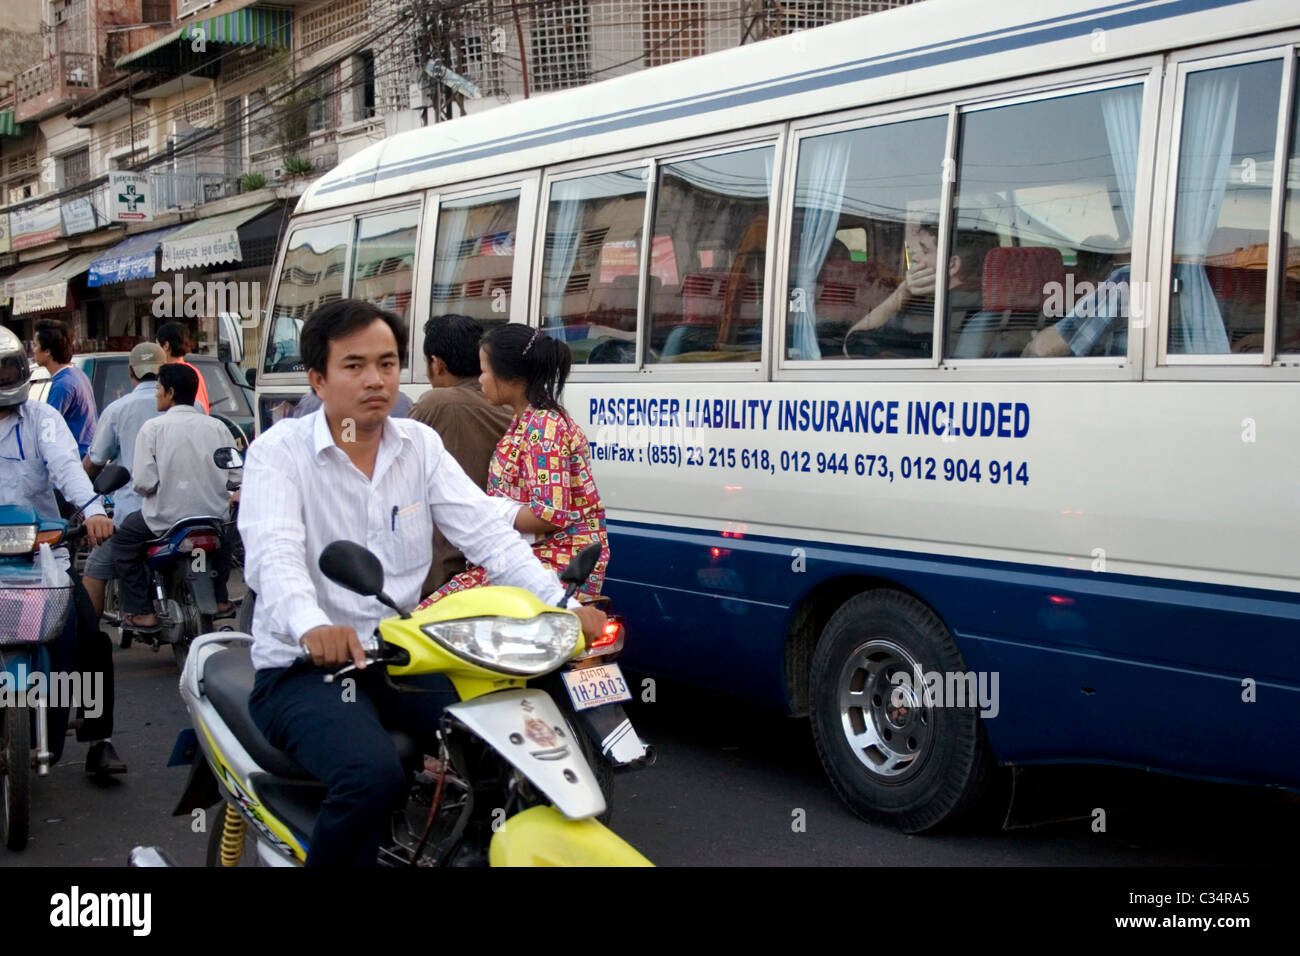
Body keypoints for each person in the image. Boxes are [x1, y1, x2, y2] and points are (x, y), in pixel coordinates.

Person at [238, 299, 606, 868]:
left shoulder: (419, 445)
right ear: (318, 379)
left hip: (401, 656)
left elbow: (492, 536)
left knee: (507, 746)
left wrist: (562, 602)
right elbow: (275, 555)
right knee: (370, 776)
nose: (375, 380)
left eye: (387, 364)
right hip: (303, 669)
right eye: (355, 365)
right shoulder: (278, 453)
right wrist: (313, 625)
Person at [0, 327, 124, 774]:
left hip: (41, 557)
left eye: (5, 369)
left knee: (89, 636)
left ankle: (99, 741)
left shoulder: (42, 420)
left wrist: (93, 509)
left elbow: (68, 469)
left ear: (20, 370)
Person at [421, 322, 610, 608]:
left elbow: (551, 514)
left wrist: (489, 510)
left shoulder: (544, 426)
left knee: (432, 615)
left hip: (549, 567)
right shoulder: (525, 421)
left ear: (508, 377)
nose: (480, 380)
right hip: (524, 558)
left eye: (484, 371)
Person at [111, 364, 235, 630]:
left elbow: (144, 483)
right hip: (212, 518)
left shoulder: (153, 429)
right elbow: (235, 476)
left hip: (164, 519)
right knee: (227, 534)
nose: (156, 394)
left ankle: (141, 611)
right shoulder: (218, 428)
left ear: (170, 392)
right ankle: (221, 598)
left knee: (122, 545)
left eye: (158, 389)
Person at [409, 314, 513, 593]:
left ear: (437, 364)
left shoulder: (435, 402)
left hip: (444, 567)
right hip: (493, 559)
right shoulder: (509, 406)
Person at [80, 343, 166, 619]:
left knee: (95, 569)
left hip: (135, 513)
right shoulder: (194, 407)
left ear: (131, 372)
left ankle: (90, 639)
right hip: (191, 510)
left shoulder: (118, 410)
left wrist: (79, 480)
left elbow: (94, 461)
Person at [843, 221, 989, 357]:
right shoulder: (983, 303)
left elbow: (852, 343)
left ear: (952, 264)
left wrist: (903, 291)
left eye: (925, 251)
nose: (915, 258)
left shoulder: (936, 312)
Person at [1022, 236, 1131, 357]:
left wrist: (1035, 341)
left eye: (1079, 265)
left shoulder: (1124, 280)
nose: (1075, 271)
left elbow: (1044, 349)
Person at [33, 319, 97, 458]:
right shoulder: (77, 374)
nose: (33, 350)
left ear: (47, 351)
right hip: (87, 454)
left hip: (75, 460)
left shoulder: (62, 385)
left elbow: (46, 431)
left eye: (36, 345)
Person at [156, 321, 210, 414]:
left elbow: (198, 408)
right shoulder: (193, 372)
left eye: (157, 345)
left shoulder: (185, 374)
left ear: (166, 345)